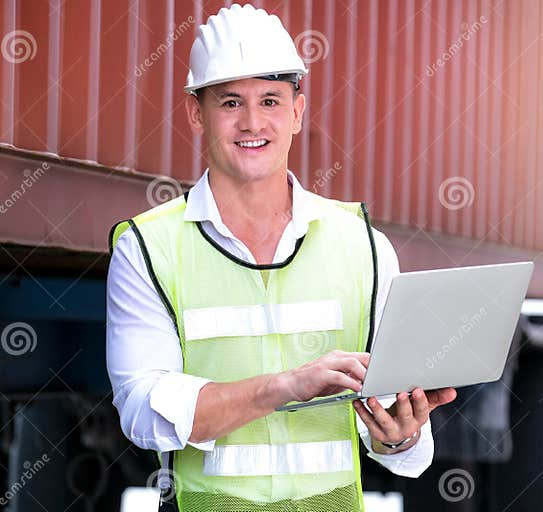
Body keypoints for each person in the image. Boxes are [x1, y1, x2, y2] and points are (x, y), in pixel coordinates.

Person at [106, 4, 456, 511]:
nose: (252, 122)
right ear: (194, 113)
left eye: (270, 100)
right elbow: (144, 416)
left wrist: (398, 435)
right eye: (230, 102)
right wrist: (285, 387)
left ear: (297, 111)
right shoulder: (148, 248)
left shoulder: (362, 245)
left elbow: (406, 454)